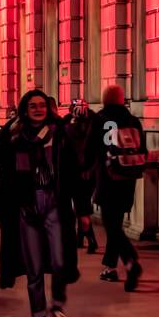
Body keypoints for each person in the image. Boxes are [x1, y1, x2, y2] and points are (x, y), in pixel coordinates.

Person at [0, 90, 80, 317]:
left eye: (42, 105)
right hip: (26, 204)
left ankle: (58, 305)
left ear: (48, 108)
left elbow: (74, 171)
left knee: (60, 259)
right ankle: (39, 314)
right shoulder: (13, 134)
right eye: (33, 105)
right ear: (25, 108)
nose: (38, 109)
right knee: (34, 264)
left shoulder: (60, 133)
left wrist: (82, 208)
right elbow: (2, 172)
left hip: (55, 202)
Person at [86, 85, 146, 290]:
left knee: (111, 226)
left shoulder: (100, 120)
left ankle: (131, 262)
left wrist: (85, 171)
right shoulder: (133, 121)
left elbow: (90, 149)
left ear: (104, 100)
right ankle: (110, 267)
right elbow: (143, 151)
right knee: (116, 224)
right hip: (128, 180)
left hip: (107, 179)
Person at [63, 99, 99, 254]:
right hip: (89, 174)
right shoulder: (94, 127)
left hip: (72, 174)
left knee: (80, 210)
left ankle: (91, 239)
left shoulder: (67, 129)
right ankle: (80, 238)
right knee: (82, 207)